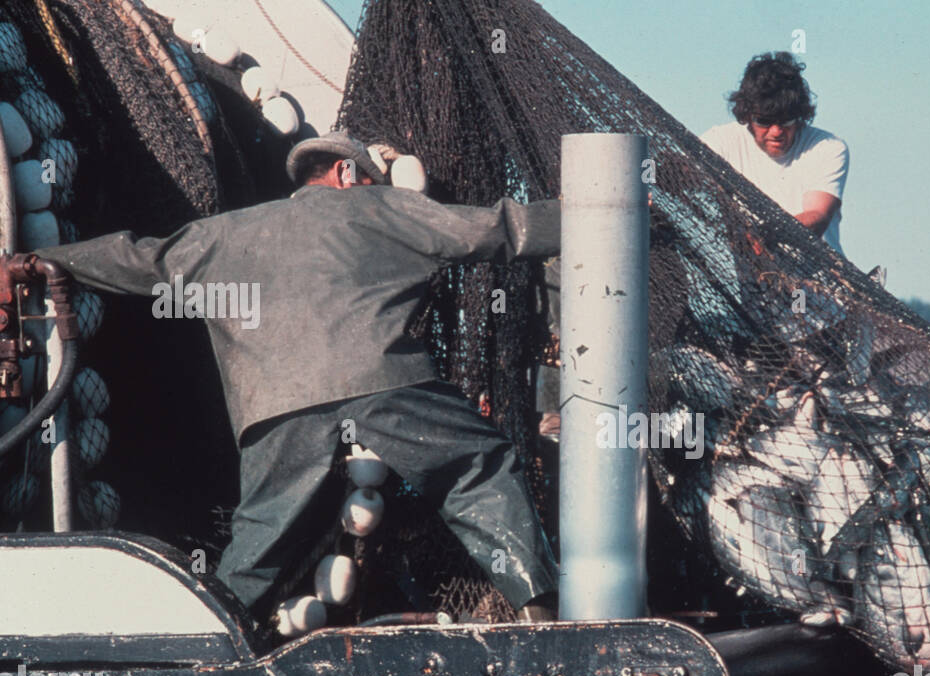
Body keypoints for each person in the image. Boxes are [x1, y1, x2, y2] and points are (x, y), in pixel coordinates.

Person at [36, 130, 560, 626]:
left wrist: (37, 261)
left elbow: (137, 257)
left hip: (273, 406)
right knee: (478, 470)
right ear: (345, 173)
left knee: (262, 541)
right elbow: (497, 230)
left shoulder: (223, 233)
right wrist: (595, 215)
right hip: (384, 381)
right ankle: (540, 612)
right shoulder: (378, 206)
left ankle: (212, 646)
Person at [700, 52, 849, 255]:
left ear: (801, 115)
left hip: (821, 284)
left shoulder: (828, 147)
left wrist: (764, 235)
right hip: (756, 284)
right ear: (746, 116)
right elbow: (677, 174)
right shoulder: (719, 142)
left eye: (786, 120)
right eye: (764, 121)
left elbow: (817, 215)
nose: (776, 132)